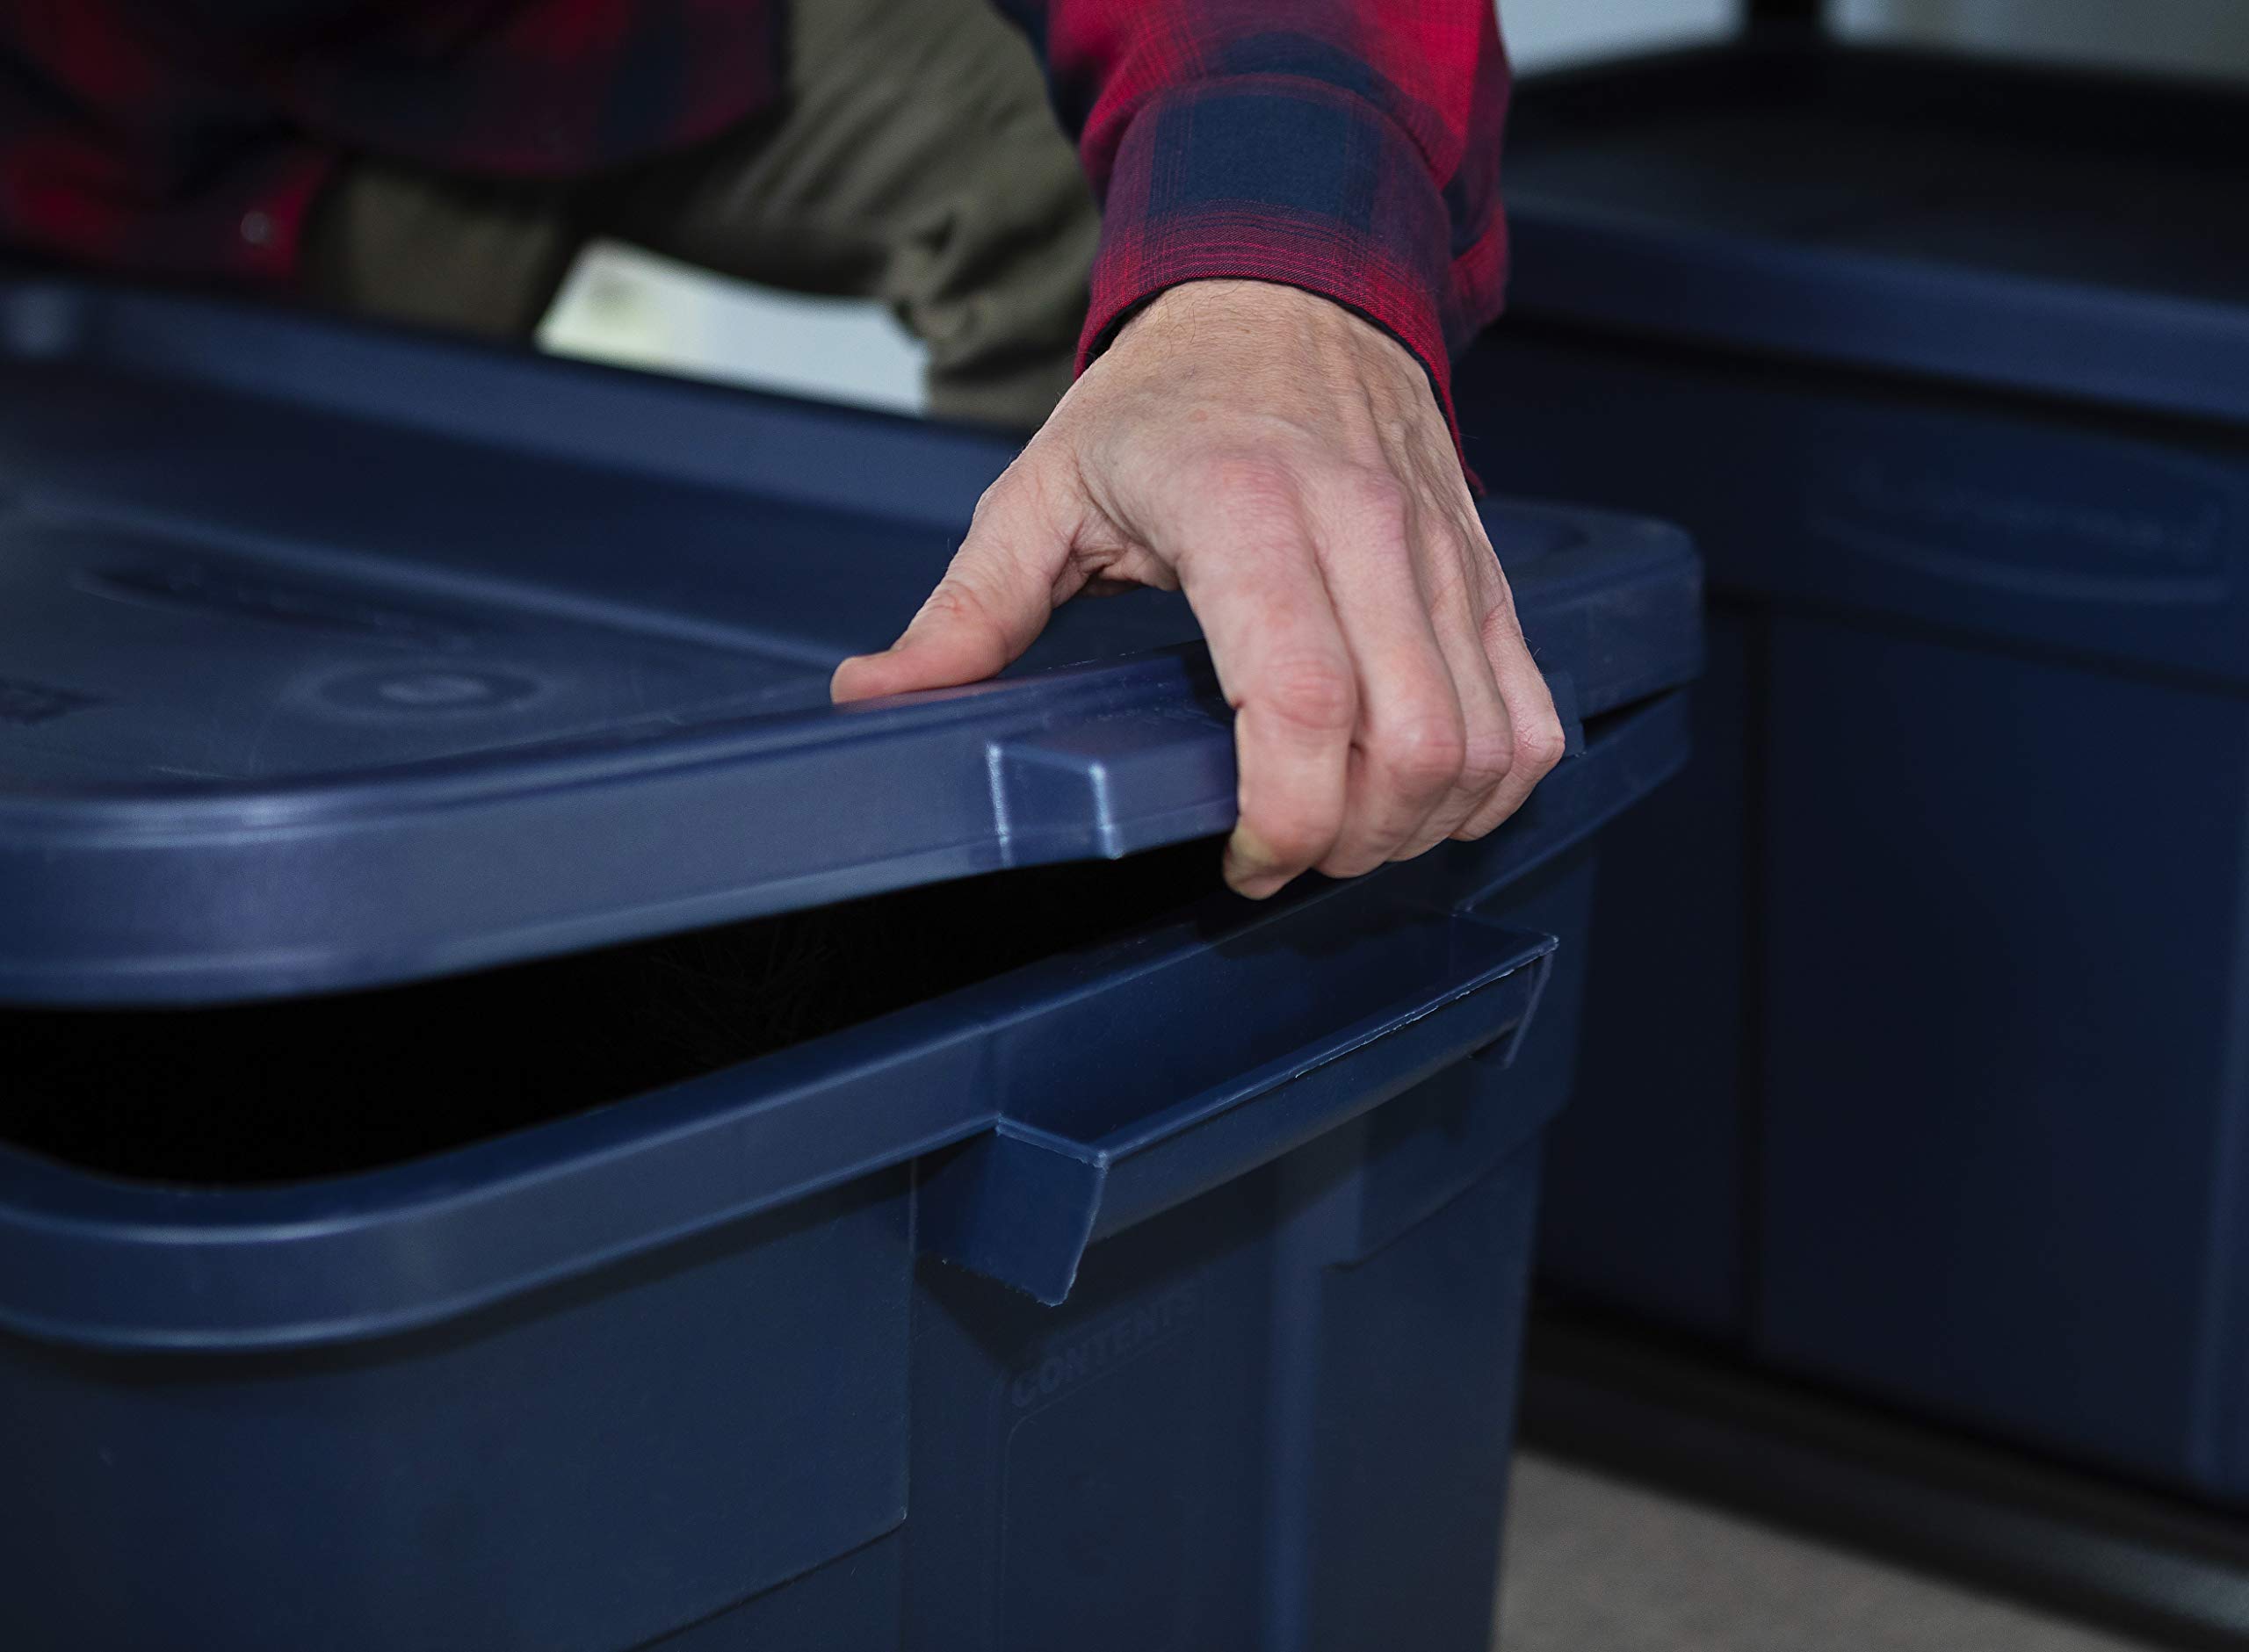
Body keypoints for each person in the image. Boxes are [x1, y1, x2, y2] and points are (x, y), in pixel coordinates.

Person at [0, 0, 1563, 898]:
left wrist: (1262, 282)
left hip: (589, 31)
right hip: (92, 138)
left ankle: (1078, 906)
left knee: (1115, 228)